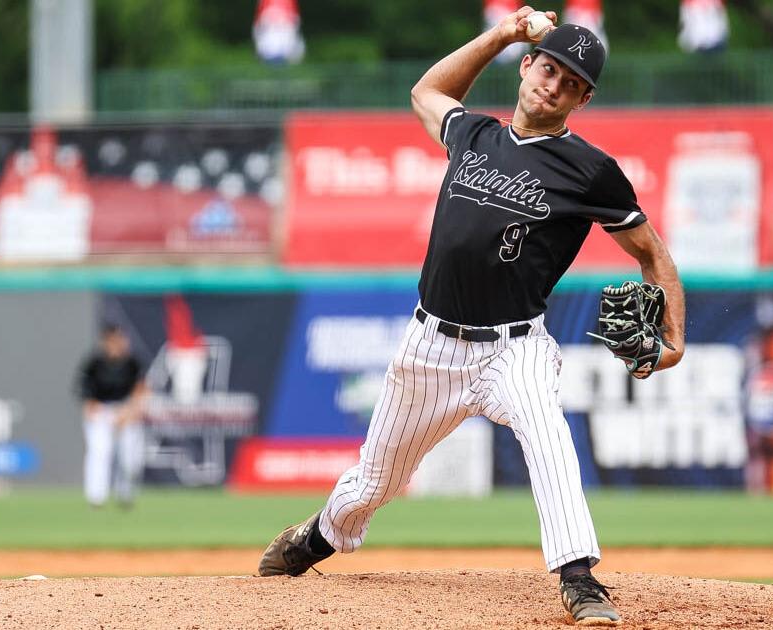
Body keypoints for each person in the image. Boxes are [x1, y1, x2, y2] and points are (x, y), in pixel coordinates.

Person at [258, 7, 685, 626]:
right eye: (549, 68)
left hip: (515, 346)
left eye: (571, 83)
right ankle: (320, 536)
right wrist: (505, 34)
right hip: (430, 345)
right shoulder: (475, 135)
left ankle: (579, 579)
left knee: (549, 433)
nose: (554, 85)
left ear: (583, 98)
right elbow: (426, 91)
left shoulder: (591, 171)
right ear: (529, 69)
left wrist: (674, 335)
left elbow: (650, 250)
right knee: (376, 478)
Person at [77, 324, 147, 509]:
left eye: (119, 339)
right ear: (105, 342)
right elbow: (86, 397)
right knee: (100, 452)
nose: (116, 344)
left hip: (126, 410)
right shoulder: (94, 364)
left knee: (130, 457)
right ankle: (96, 498)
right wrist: (98, 413)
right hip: (102, 412)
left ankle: (126, 495)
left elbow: (141, 390)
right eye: (112, 341)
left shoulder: (132, 363)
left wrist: (129, 412)